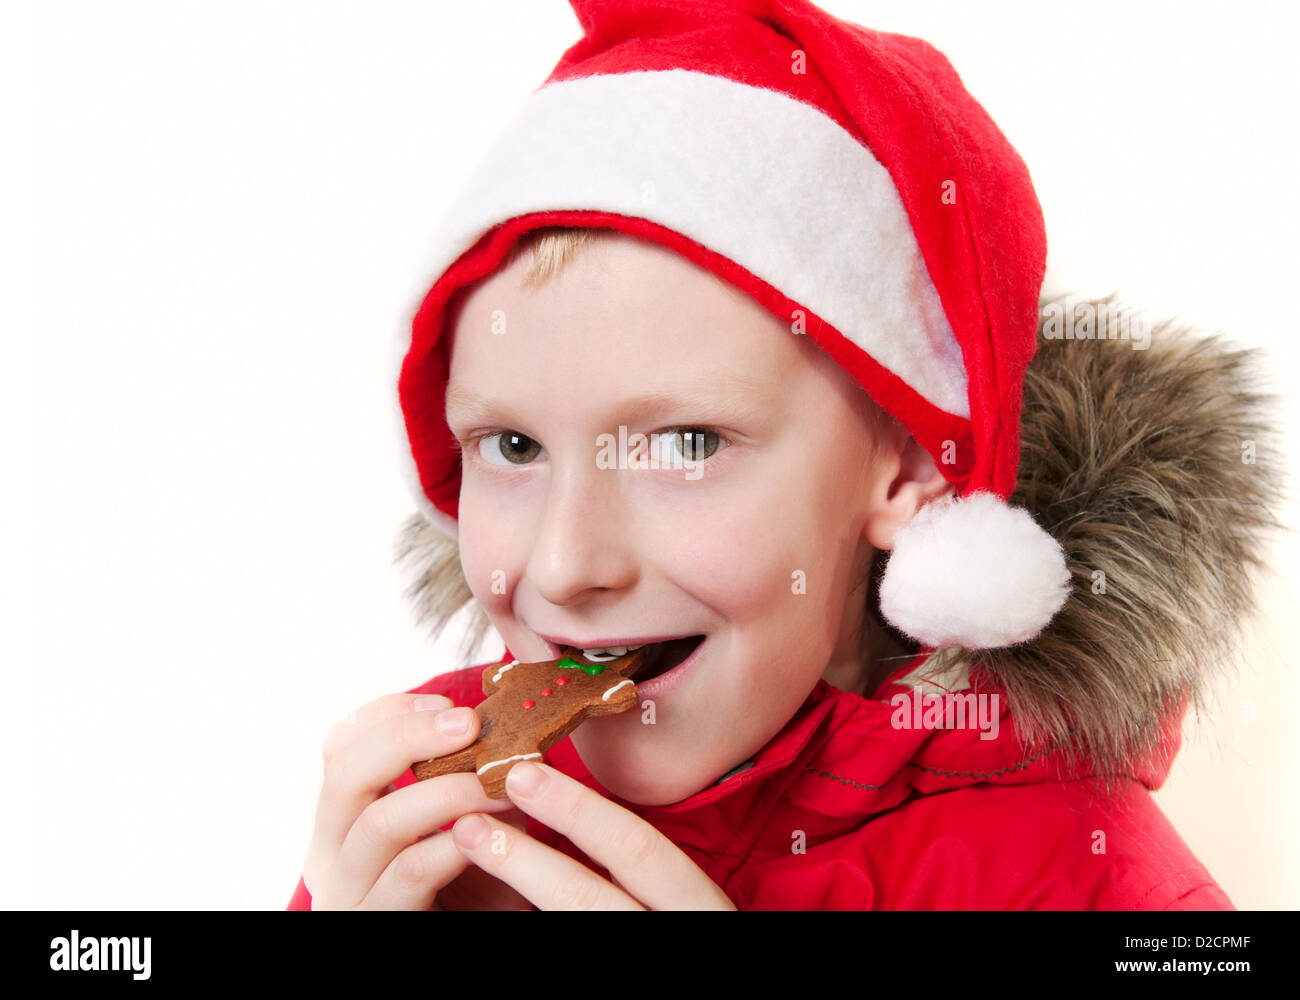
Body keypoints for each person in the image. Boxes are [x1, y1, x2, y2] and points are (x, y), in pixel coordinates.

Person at [287, 0, 1282, 910]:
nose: (562, 566)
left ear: (905, 469)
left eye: (682, 444)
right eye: (512, 445)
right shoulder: (432, 820)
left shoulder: (1088, 876)